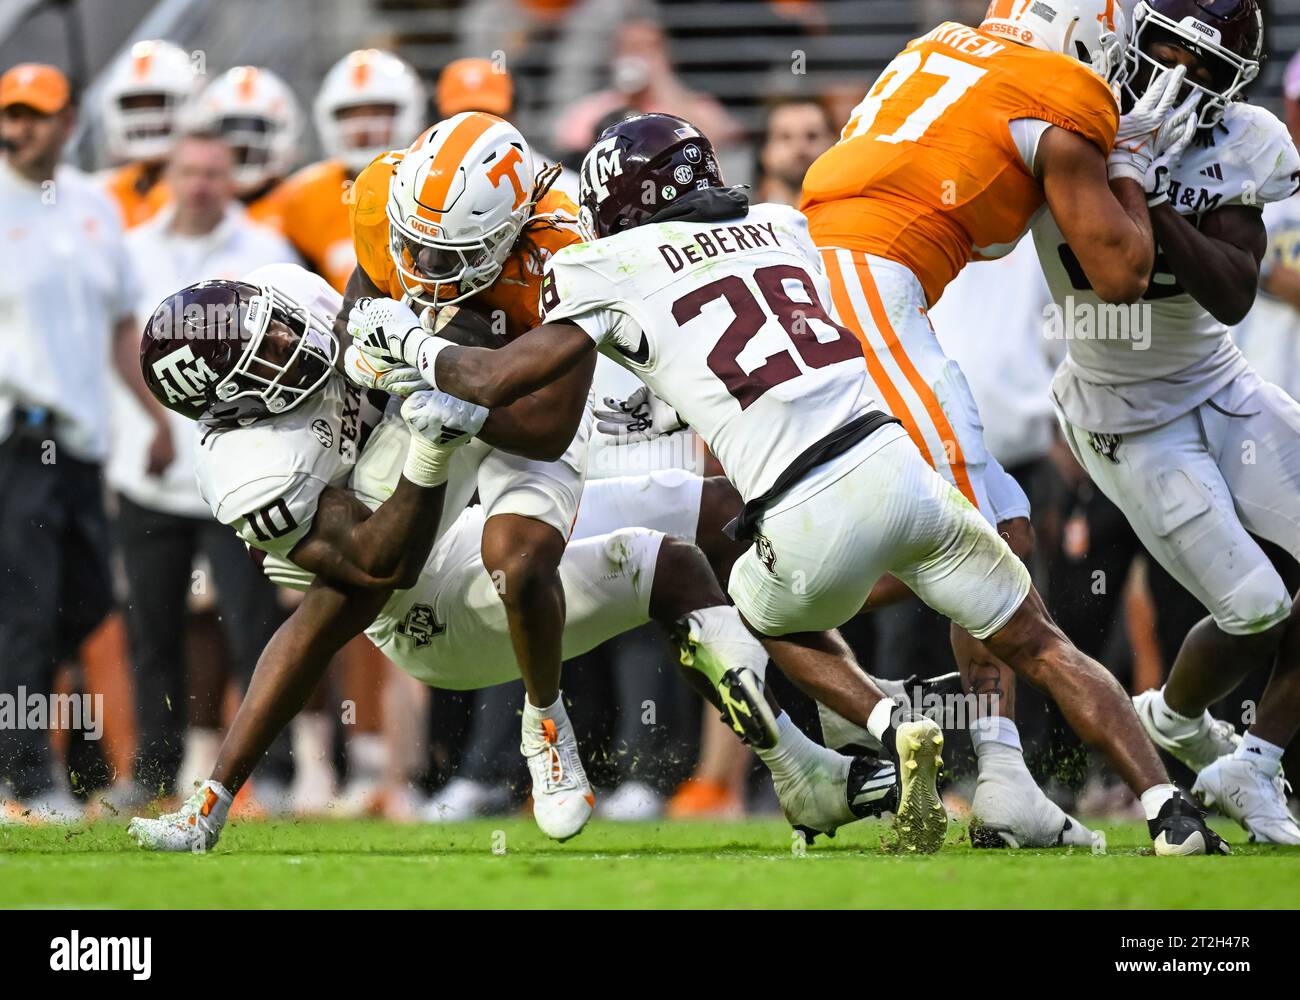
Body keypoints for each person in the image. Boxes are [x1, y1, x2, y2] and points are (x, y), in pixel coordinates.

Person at [370, 111, 1231, 856]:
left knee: (725, 603)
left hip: (803, 504)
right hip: (904, 469)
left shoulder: (608, 269)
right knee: (1043, 642)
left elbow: (492, 380)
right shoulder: (784, 224)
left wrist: (401, 342)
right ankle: (1170, 808)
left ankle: (890, 722)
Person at [126, 263, 911, 851]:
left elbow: (386, 276)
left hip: (464, 498)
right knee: (667, 566)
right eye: (264, 355)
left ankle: (843, 725)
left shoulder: (288, 292)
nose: (287, 342)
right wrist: (429, 445)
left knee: (723, 510)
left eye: (278, 326)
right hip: (426, 605)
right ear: (232, 405)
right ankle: (588, 737)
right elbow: (372, 570)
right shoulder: (252, 469)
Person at [788, 0, 1198, 845]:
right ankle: (770, 628)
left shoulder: (943, 46)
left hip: (821, 277)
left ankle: (1000, 771)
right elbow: (1121, 270)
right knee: (984, 535)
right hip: (867, 280)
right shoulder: (1062, 87)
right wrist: (1127, 159)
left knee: (1000, 527)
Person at [1034, 0, 1300, 844]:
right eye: (1165, 50)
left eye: (1209, 67)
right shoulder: (1067, 112)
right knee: (1257, 607)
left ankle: (1252, 762)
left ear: (1237, 83)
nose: (1181, 77)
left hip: (1218, 381)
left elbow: (1230, 290)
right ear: (1129, 34)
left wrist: (1146, 194)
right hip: (1125, 413)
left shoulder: (1244, 138)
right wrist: (1115, 174)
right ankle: (1176, 717)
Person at [105, 130, 299, 811]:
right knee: (150, 630)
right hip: (149, 473)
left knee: (257, 629)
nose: (200, 184)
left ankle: (269, 774)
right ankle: (153, 770)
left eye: (214, 172)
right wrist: (147, 425)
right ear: (168, 176)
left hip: (240, 481)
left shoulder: (264, 252)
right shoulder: (131, 249)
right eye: (189, 171)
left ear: (231, 178)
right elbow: (117, 343)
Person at [0, 64, 164, 820]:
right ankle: (28, 776)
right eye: (11, 115)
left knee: (88, 600)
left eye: (37, 115)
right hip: (14, 440)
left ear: (69, 122)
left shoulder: (97, 205)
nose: (20, 127)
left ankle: (26, 752)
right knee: (27, 611)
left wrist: (156, 413)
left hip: (83, 444)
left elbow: (122, 326)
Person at [267, 49, 427, 293]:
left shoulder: (435, 181)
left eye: (377, 112)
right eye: (352, 114)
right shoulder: (303, 195)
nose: (364, 130)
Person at [97, 38, 202, 229]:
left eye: (156, 102)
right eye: (134, 105)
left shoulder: (210, 188)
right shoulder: (105, 190)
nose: (145, 118)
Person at [188, 66, 302, 228]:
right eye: (229, 126)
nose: (243, 143)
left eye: (258, 127)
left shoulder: (304, 203)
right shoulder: (178, 203)